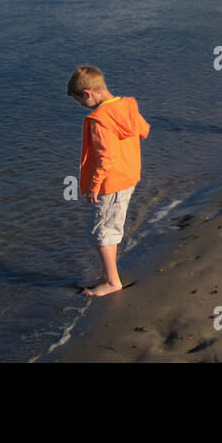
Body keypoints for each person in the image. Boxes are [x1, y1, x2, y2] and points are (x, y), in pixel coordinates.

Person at [66, 65, 150, 297]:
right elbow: (144, 130)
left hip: (110, 183)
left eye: (80, 101)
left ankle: (113, 281)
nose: (82, 106)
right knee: (110, 225)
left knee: (102, 231)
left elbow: (106, 157)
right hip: (129, 176)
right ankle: (107, 274)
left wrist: (94, 186)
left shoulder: (98, 119)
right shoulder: (127, 105)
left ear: (87, 94)